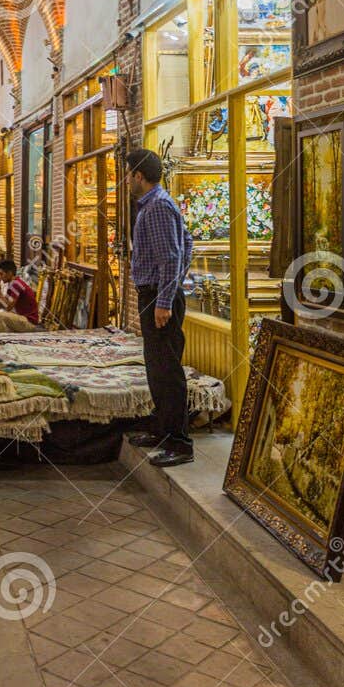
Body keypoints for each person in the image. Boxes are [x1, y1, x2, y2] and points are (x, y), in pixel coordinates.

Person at [125, 147, 194, 467]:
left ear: (139, 176)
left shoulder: (157, 208)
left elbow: (171, 257)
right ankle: (162, 429)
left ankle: (179, 443)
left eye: (128, 174)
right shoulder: (156, 205)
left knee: (167, 370)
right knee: (156, 366)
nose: (126, 180)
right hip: (156, 294)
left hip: (158, 297)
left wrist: (165, 300)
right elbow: (187, 245)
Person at [0, 257, 41, 332]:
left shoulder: (16, 284)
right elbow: (5, 302)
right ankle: (4, 335)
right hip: (21, 317)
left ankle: (3, 338)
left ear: (9, 273)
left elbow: (8, 307)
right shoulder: (12, 283)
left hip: (29, 322)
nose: (0, 277)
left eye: (1, 274)